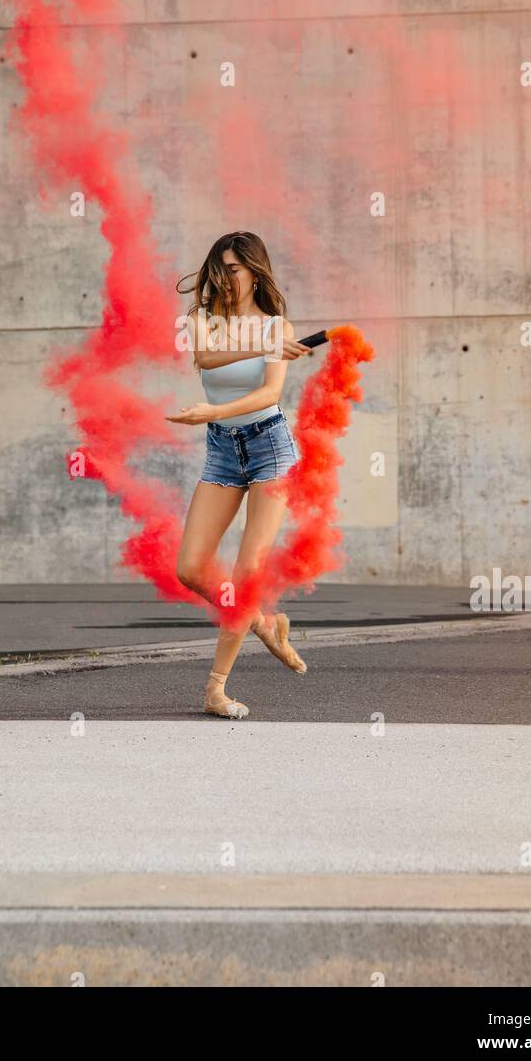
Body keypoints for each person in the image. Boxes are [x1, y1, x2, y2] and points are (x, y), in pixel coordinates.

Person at [167, 231, 312, 718]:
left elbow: (269, 396)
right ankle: (263, 622)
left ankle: (216, 689)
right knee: (190, 568)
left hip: (270, 447)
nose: (224, 278)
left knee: (247, 573)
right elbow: (205, 358)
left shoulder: (278, 325)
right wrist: (263, 348)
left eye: (233, 269)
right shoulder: (201, 320)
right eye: (218, 269)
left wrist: (214, 406)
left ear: (254, 270)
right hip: (222, 450)